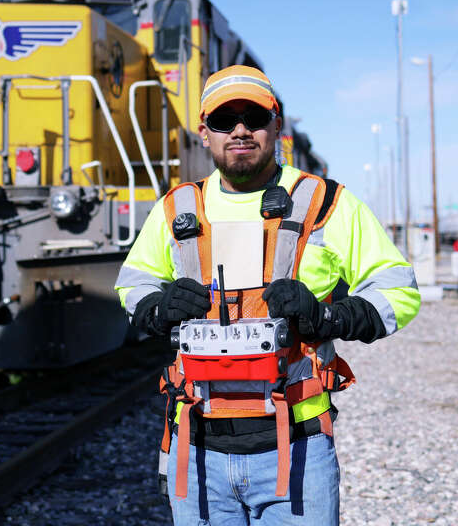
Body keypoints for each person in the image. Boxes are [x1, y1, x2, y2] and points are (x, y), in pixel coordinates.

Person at [115, 65, 421, 526]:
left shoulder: (324, 203)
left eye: (254, 118)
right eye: (224, 120)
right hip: (196, 452)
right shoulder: (176, 208)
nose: (240, 130)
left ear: (276, 126)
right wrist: (158, 308)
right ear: (204, 132)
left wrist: (328, 318)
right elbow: (133, 283)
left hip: (298, 448)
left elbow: (398, 289)